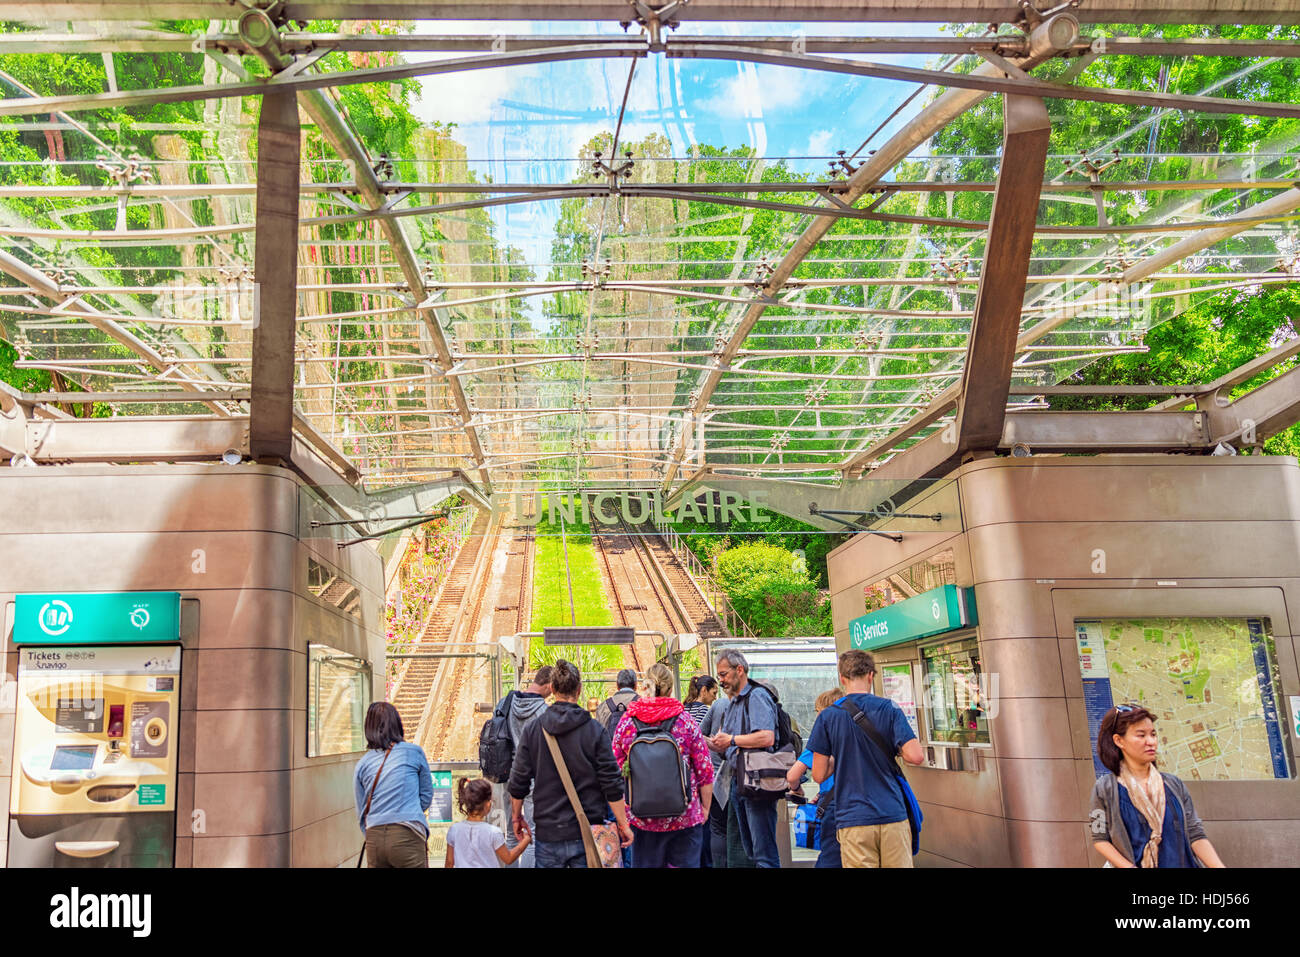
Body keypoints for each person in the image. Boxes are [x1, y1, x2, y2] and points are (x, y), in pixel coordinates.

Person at [507, 658, 634, 867]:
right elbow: (611, 783)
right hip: (587, 833)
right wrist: (623, 824)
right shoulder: (595, 731)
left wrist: (515, 817)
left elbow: (518, 780)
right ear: (580, 690)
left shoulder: (534, 730)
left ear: (553, 688)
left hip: (548, 833)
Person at [808, 650, 924, 868]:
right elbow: (915, 756)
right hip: (892, 813)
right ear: (871, 675)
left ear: (842, 678)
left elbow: (818, 774)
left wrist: (841, 756)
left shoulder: (827, 717)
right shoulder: (889, 709)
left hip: (853, 819)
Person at [1089, 704, 1225, 868]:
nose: (1151, 742)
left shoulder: (1173, 784)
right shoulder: (1105, 789)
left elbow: (1195, 834)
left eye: (1153, 734)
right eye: (1141, 735)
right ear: (1119, 740)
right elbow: (1100, 839)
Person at [610, 662, 714, 868]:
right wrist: (705, 808)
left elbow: (615, 771)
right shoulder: (685, 720)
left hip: (641, 818)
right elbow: (704, 769)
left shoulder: (627, 722)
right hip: (684, 815)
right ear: (670, 688)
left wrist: (622, 818)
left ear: (646, 686)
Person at [708, 648, 781, 868]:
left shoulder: (756, 696)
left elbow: (766, 737)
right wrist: (712, 743)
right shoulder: (733, 702)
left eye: (723, 674)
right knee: (749, 849)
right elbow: (731, 741)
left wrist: (730, 740)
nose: (720, 680)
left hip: (756, 780)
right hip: (738, 780)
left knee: (763, 852)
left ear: (739, 669)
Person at [354, 701, 433, 868]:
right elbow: (426, 795)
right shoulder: (413, 752)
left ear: (369, 728)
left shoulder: (362, 764)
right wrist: (409, 810)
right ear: (397, 724)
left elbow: (362, 809)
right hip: (407, 833)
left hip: (374, 837)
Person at [496, 664, 553, 868]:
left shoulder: (506, 702)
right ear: (549, 685)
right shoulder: (543, 712)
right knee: (532, 835)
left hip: (507, 776)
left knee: (512, 834)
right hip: (532, 780)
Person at [787, 686, 843, 868]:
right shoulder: (854, 735)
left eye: (818, 711)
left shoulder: (822, 739)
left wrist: (796, 789)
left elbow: (793, 775)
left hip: (833, 806)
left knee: (830, 857)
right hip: (860, 803)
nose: (817, 717)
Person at [445, 778, 531, 868]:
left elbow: (449, 863)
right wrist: (525, 841)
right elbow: (508, 858)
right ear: (488, 804)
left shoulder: (454, 830)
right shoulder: (493, 832)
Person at [698, 687, 733, 867]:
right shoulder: (747, 705)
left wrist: (712, 743)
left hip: (716, 778)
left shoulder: (718, 704)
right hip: (737, 778)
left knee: (718, 829)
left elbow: (698, 733)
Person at [596, 668, 639, 735]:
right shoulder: (643, 704)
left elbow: (598, 735)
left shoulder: (603, 707)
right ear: (636, 685)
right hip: (636, 745)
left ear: (617, 685)